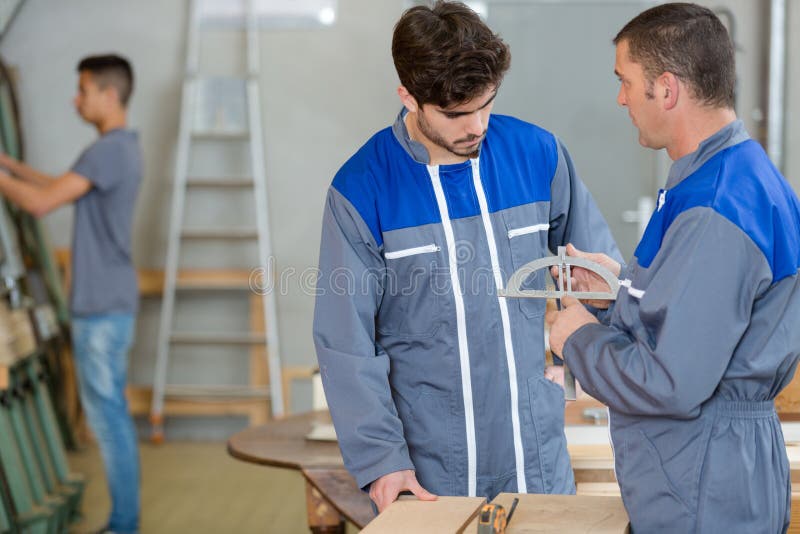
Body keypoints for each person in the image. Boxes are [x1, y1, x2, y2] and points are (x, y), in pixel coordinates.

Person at [313, 1, 620, 512]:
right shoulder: (362, 190)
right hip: (428, 472)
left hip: (535, 458)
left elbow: (602, 275)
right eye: (456, 114)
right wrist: (382, 460)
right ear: (408, 96)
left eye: (487, 103)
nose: (477, 125)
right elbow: (344, 342)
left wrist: (589, 338)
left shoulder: (538, 155)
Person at [548, 3, 800, 532]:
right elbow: (699, 319)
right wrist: (618, 292)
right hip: (708, 472)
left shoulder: (716, 209)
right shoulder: (726, 178)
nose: (619, 97)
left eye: (626, 80)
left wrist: (577, 337)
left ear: (666, 89)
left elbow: (671, 381)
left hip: (704, 486)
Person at [0, 54, 142, 534]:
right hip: (111, 303)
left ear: (109, 94)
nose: (75, 99)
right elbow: (60, 186)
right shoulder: (119, 148)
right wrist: (9, 164)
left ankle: (124, 524)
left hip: (100, 308)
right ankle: (125, 521)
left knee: (109, 422)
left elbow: (41, 204)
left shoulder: (107, 151)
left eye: (82, 90)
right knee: (113, 417)